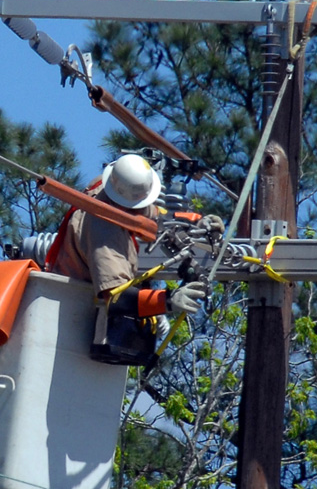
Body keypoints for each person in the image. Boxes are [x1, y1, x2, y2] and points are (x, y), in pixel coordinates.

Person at [45, 154, 213, 364]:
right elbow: (116, 296)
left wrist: (196, 222)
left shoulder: (107, 187)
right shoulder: (104, 228)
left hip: (77, 304)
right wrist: (167, 301)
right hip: (73, 310)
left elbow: (152, 216)